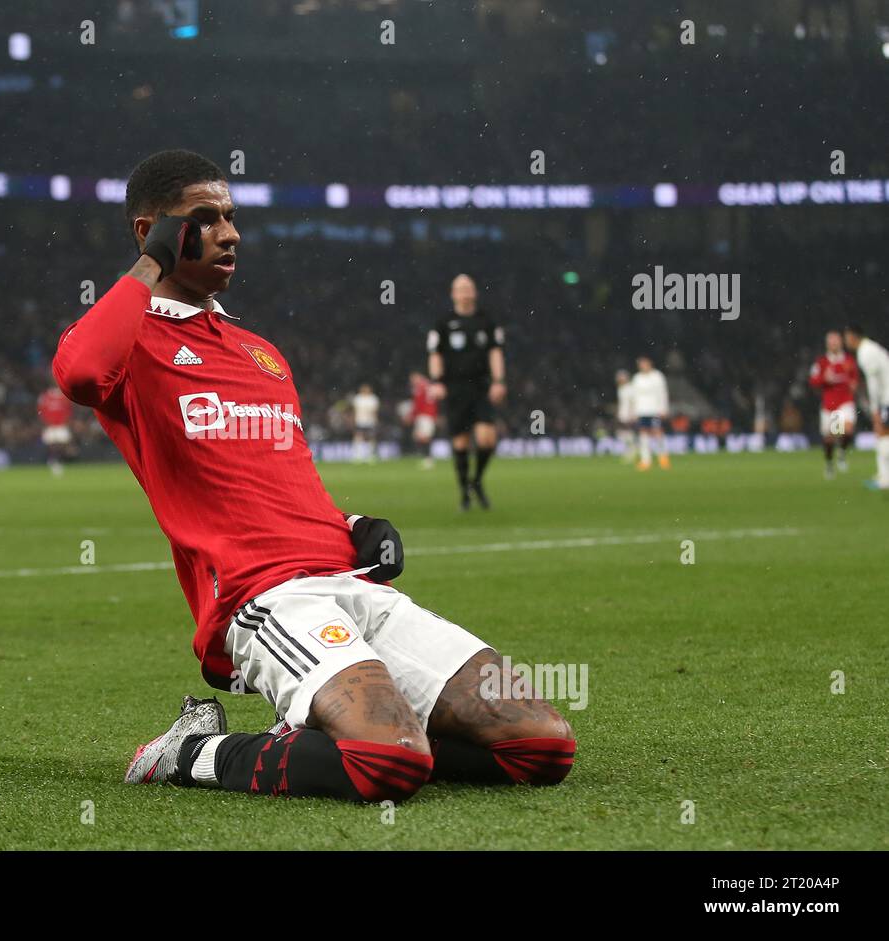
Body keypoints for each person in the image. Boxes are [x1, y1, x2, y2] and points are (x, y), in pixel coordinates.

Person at [52, 150, 574, 803]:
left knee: (542, 744)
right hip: (264, 598)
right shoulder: (131, 342)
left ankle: (335, 732)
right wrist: (151, 264)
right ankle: (188, 750)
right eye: (205, 220)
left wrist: (354, 527)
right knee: (386, 762)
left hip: (350, 584)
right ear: (150, 231)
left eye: (232, 217)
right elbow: (76, 372)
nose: (231, 233)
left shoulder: (262, 354)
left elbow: (285, 482)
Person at [427, 275, 504, 511]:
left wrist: (499, 381)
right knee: (460, 442)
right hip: (455, 387)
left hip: (481, 386)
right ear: (453, 293)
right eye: (461, 289)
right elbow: (435, 355)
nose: (465, 292)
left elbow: (495, 353)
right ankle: (465, 493)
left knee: (486, 438)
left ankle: (477, 481)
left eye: (469, 288)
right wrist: (437, 381)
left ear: (475, 292)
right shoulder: (443, 323)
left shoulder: (487, 321)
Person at [807, 330, 859, 479]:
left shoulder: (848, 360)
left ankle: (842, 452)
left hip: (845, 401)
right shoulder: (822, 362)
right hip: (830, 405)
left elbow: (855, 379)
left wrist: (854, 384)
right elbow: (813, 381)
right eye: (831, 342)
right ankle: (829, 463)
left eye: (836, 341)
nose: (834, 344)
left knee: (847, 430)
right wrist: (824, 378)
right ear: (828, 344)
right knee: (830, 438)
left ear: (840, 343)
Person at [844, 325, 889, 490]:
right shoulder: (871, 348)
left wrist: (875, 408)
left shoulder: (865, 352)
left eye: (847, 336)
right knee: (882, 434)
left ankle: (885, 479)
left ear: (853, 337)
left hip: (886, 398)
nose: (845, 340)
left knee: (882, 433)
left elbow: (873, 382)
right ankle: (883, 475)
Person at [630, 356, 671, 471]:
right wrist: (634, 411)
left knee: (658, 433)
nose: (642, 366)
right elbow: (634, 396)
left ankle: (663, 458)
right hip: (642, 410)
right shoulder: (637, 378)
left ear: (650, 364)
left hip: (655, 410)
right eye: (641, 364)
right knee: (643, 435)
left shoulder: (657, 376)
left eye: (644, 364)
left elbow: (662, 393)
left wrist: (664, 408)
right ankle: (645, 460)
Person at [37, 384, 75, 476]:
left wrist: (67, 421)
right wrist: (44, 422)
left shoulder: (64, 397)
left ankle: (58, 461)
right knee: (51, 445)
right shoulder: (45, 396)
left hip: (61, 425)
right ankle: (53, 462)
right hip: (50, 425)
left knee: (63, 444)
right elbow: (41, 410)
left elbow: (69, 410)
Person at [407, 372, 440, 469]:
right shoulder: (429, 386)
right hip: (428, 415)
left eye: (413, 380)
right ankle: (427, 458)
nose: (412, 382)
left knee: (424, 437)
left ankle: (428, 459)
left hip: (424, 415)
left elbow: (418, 404)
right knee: (420, 436)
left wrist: (412, 415)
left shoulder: (420, 388)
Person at [350, 383, 380, 462]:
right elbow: (355, 411)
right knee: (358, 437)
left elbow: (375, 411)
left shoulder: (373, 398)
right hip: (360, 421)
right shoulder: (358, 398)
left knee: (371, 438)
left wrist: (375, 420)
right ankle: (357, 455)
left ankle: (371, 455)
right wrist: (353, 420)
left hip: (370, 421)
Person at [615, 369, 637, 463]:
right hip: (622, 414)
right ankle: (630, 450)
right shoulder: (621, 388)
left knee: (628, 433)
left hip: (629, 415)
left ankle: (632, 451)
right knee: (622, 434)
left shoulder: (630, 388)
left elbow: (633, 402)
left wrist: (632, 413)